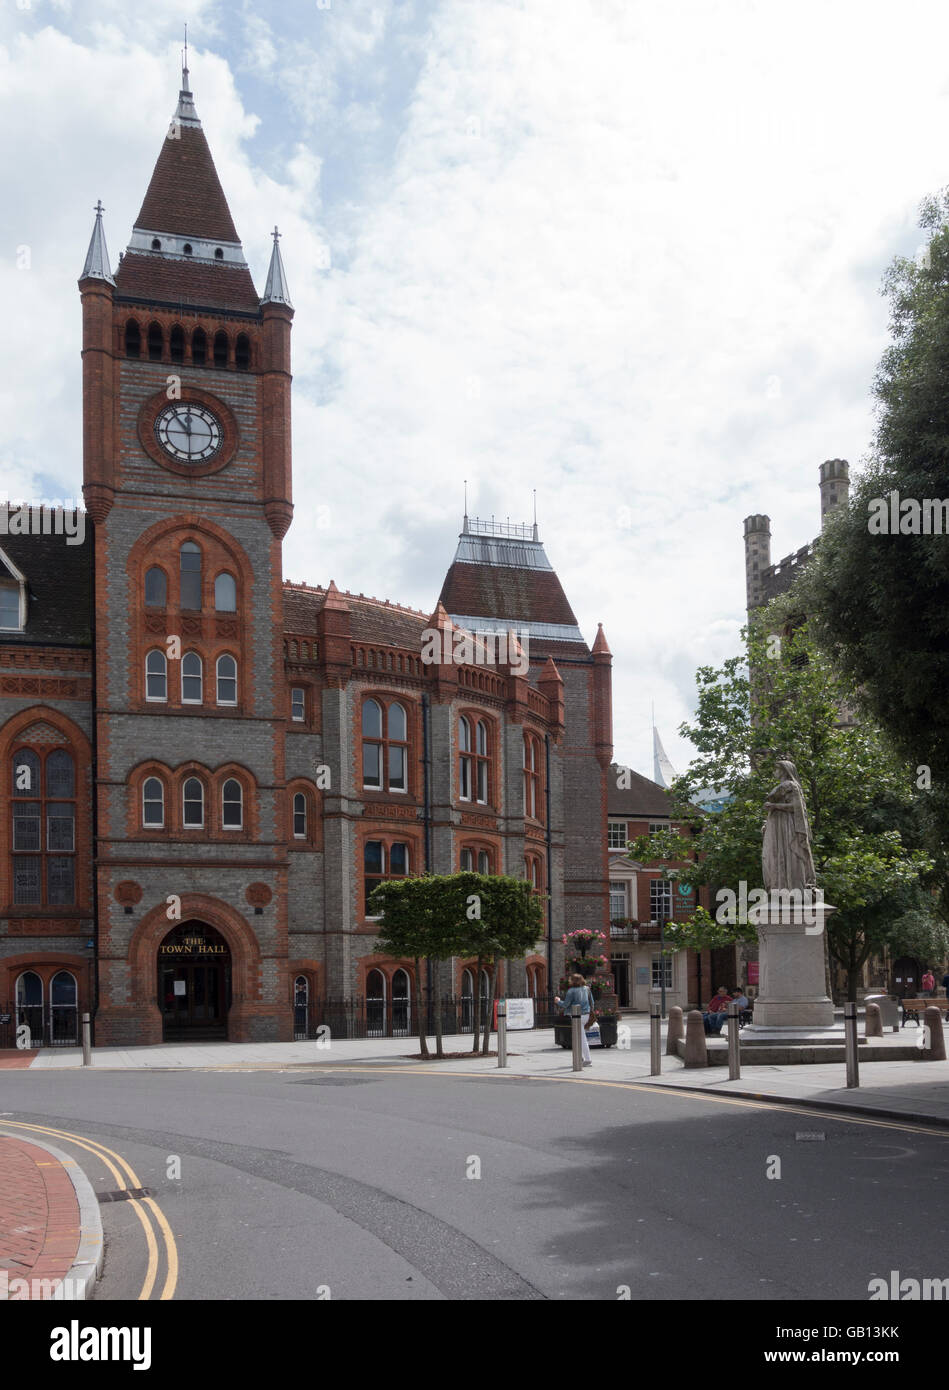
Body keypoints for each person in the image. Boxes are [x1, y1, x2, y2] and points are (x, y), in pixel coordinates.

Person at [554, 974, 595, 1065]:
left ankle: (587, 1059)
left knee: (581, 1038)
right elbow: (592, 1002)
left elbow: (565, 1005)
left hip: (577, 1015)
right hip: (586, 1015)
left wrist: (558, 1001)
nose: (569, 981)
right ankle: (580, 1058)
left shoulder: (571, 991)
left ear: (573, 981)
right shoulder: (587, 989)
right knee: (578, 1036)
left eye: (570, 980)